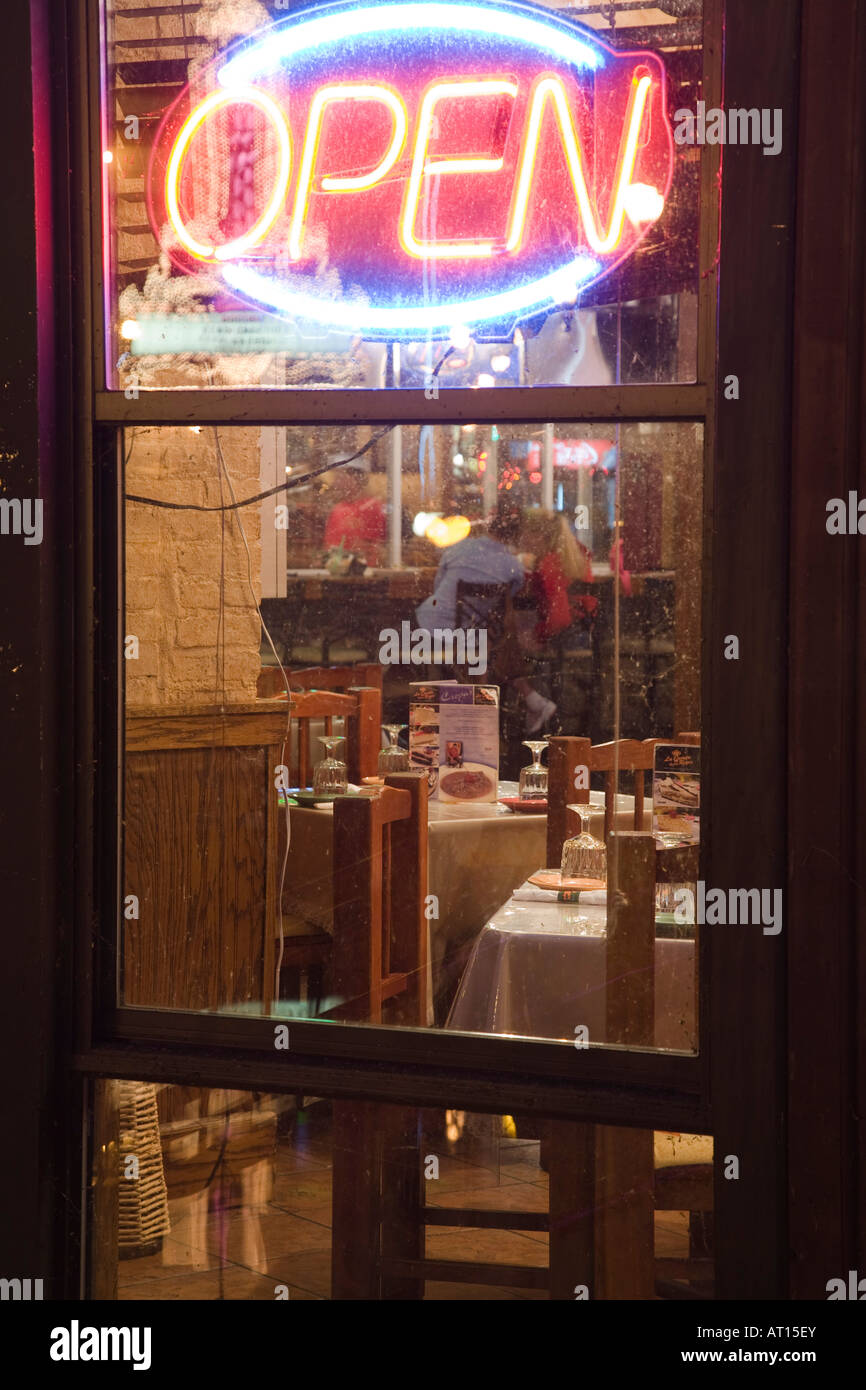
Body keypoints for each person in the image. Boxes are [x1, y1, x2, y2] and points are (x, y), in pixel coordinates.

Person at [415, 501, 524, 633]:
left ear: (487, 526)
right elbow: (506, 602)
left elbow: (437, 586)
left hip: (429, 624)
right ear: (515, 533)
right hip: (473, 635)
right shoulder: (513, 566)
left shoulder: (460, 548)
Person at [322, 452, 386, 566]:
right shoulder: (338, 509)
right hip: (336, 571)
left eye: (340, 477)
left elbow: (369, 547)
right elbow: (330, 546)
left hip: (362, 574)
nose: (336, 482)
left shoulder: (372, 506)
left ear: (356, 478)